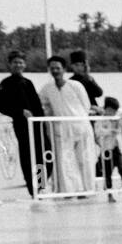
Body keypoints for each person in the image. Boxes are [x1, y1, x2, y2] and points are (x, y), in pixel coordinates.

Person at [38, 55, 93, 195]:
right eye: (52, 68)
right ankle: (66, 191)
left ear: (64, 69)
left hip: (80, 127)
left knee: (84, 160)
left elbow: (86, 105)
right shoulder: (47, 88)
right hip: (61, 129)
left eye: (58, 68)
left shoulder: (75, 85)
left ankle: (87, 190)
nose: (55, 71)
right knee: (63, 162)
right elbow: (42, 104)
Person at [0, 49, 46, 197]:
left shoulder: (28, 83)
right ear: (10, 64)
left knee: (40, 157)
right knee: (27, 157)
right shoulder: (5, 83)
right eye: (15, 62)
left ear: (24, 64)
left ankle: (41, 186)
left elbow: (37, 105)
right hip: (21, 127)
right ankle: (32, 188)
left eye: (20, 62)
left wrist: (42, 122)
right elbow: (1, 107)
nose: (18, 65)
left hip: (36, 126)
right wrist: (20, 112)